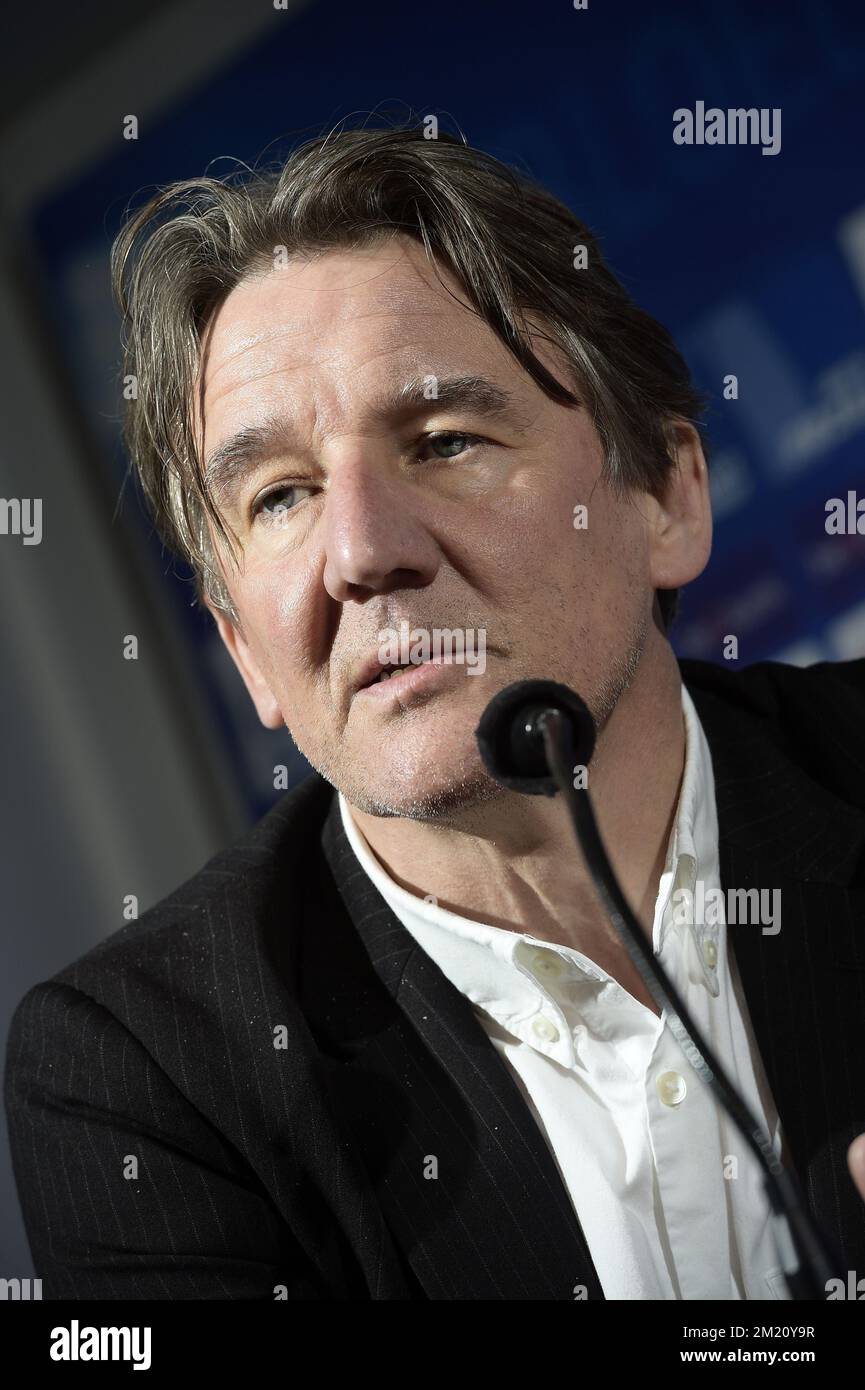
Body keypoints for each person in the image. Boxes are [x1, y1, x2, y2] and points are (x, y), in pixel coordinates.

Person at [6, 124, 865, 1300]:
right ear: (245, 646)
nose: (360, 552)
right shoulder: (150, 1073)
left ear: (664, 492)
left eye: (444, 440)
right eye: (282, 497)